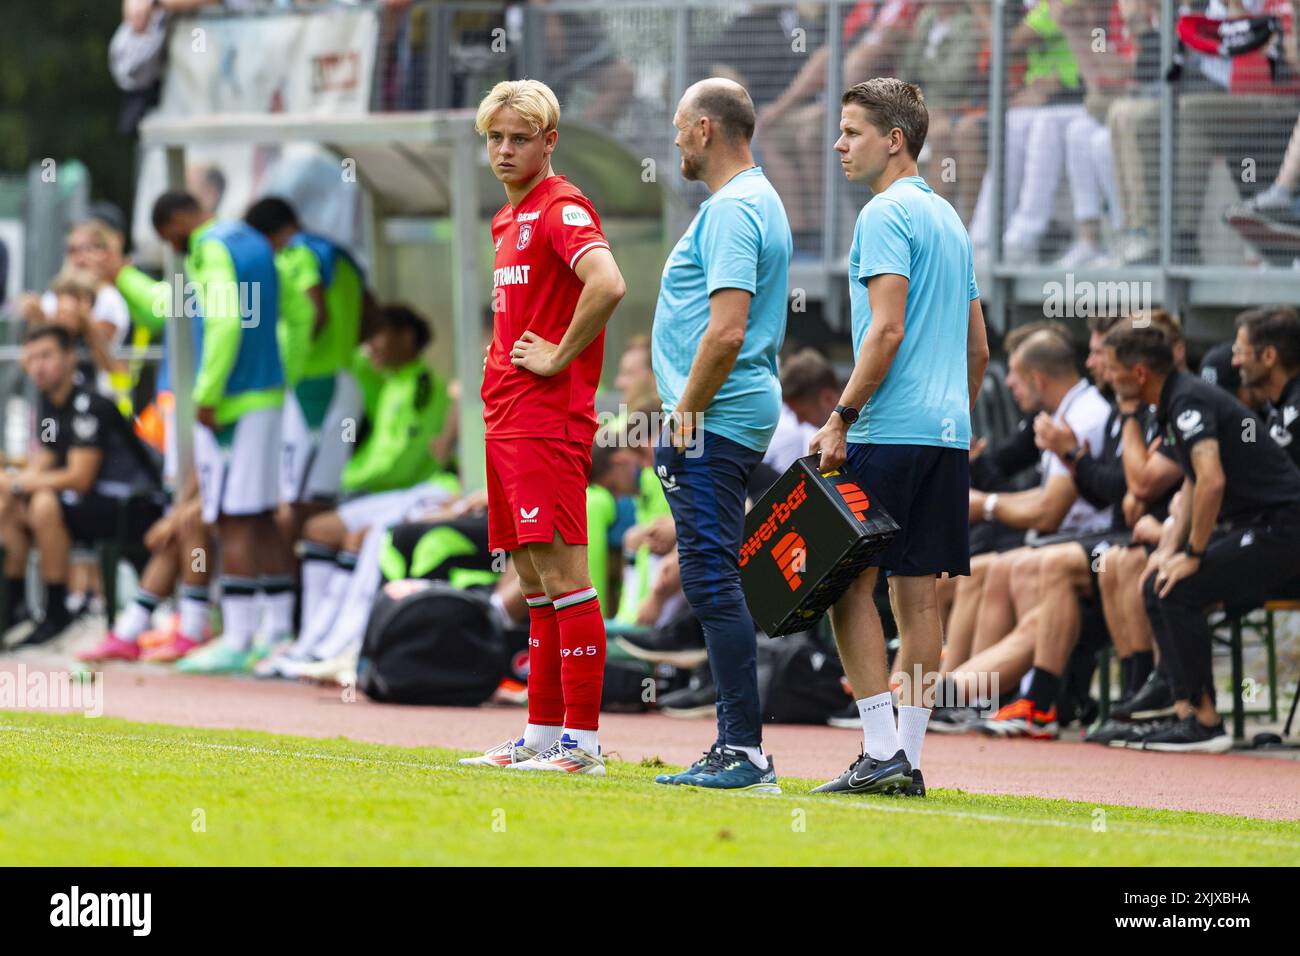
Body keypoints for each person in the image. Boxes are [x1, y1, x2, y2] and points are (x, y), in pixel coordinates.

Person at [807, 77, 987, 797]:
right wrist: (953, 415)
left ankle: (879, 749)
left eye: (851, 131)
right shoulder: (949, 219)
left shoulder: (884, 215)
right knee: (920, 602)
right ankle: (904, 760)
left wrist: (841, 416)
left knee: (846, 587)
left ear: (894, 139)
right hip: (944, 436)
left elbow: (886, 329)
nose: (838, 144)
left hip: (886, 429)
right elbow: (977, 347)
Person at [459, 79, 627, 776]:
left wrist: (558, 355)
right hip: (507, 416)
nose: (503, 150)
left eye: (519, 138)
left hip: (547, 419)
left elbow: (609, 283)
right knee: (531, 578)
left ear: (549, 142)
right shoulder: (506, 219)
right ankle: (539, 733)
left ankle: (581, 747)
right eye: (495, 138)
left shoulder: (560, 208)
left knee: (565, 575)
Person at [649, 77, 791, 793]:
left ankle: (744, 751)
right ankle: (735, 746)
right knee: (710, 578)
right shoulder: (747, 201)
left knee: (709, 579)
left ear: (706, 128)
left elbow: (728, 328)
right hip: (721, 413)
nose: (672, 140)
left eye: (679, 126)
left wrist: (683, 415)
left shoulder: (736, 209)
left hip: (715, 417)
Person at [1107, 325, 1300, 751]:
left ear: (1138, 373)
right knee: (1160, 582)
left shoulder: (1187, 398)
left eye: (1114, 370)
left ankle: (1207, 722)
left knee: (1181, 588)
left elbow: (1211, 481)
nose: (1109, 378)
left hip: (1284, 529)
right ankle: (1184, 714)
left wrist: (1193, 554)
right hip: (1262, 527)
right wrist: (1170, 551)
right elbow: (1194, 484)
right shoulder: (1173, 399)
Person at [121, 191, 292, 674]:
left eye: (171, 239)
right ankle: (277, 632)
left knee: (234, 519)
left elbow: (224, 322)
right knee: (260, 516)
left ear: (178, 221)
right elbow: (279, 311)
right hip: (267, 392)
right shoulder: (253, 240)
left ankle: (237, 637)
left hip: (234, 401)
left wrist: (208, 393)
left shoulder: (209, 246)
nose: (176, 249)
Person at [0, 326, 165, 648]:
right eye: (31, 359)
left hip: (131, 504)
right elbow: (44, 461)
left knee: (43, 502)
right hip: (88, 503)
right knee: (15, 506)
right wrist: (12, 476)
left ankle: (57, 611)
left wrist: (18, 482)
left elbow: (79, 477)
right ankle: (14, 609)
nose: (38, 366)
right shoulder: (48, 405)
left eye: (46, 356)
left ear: (70, 358)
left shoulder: (90, 404)